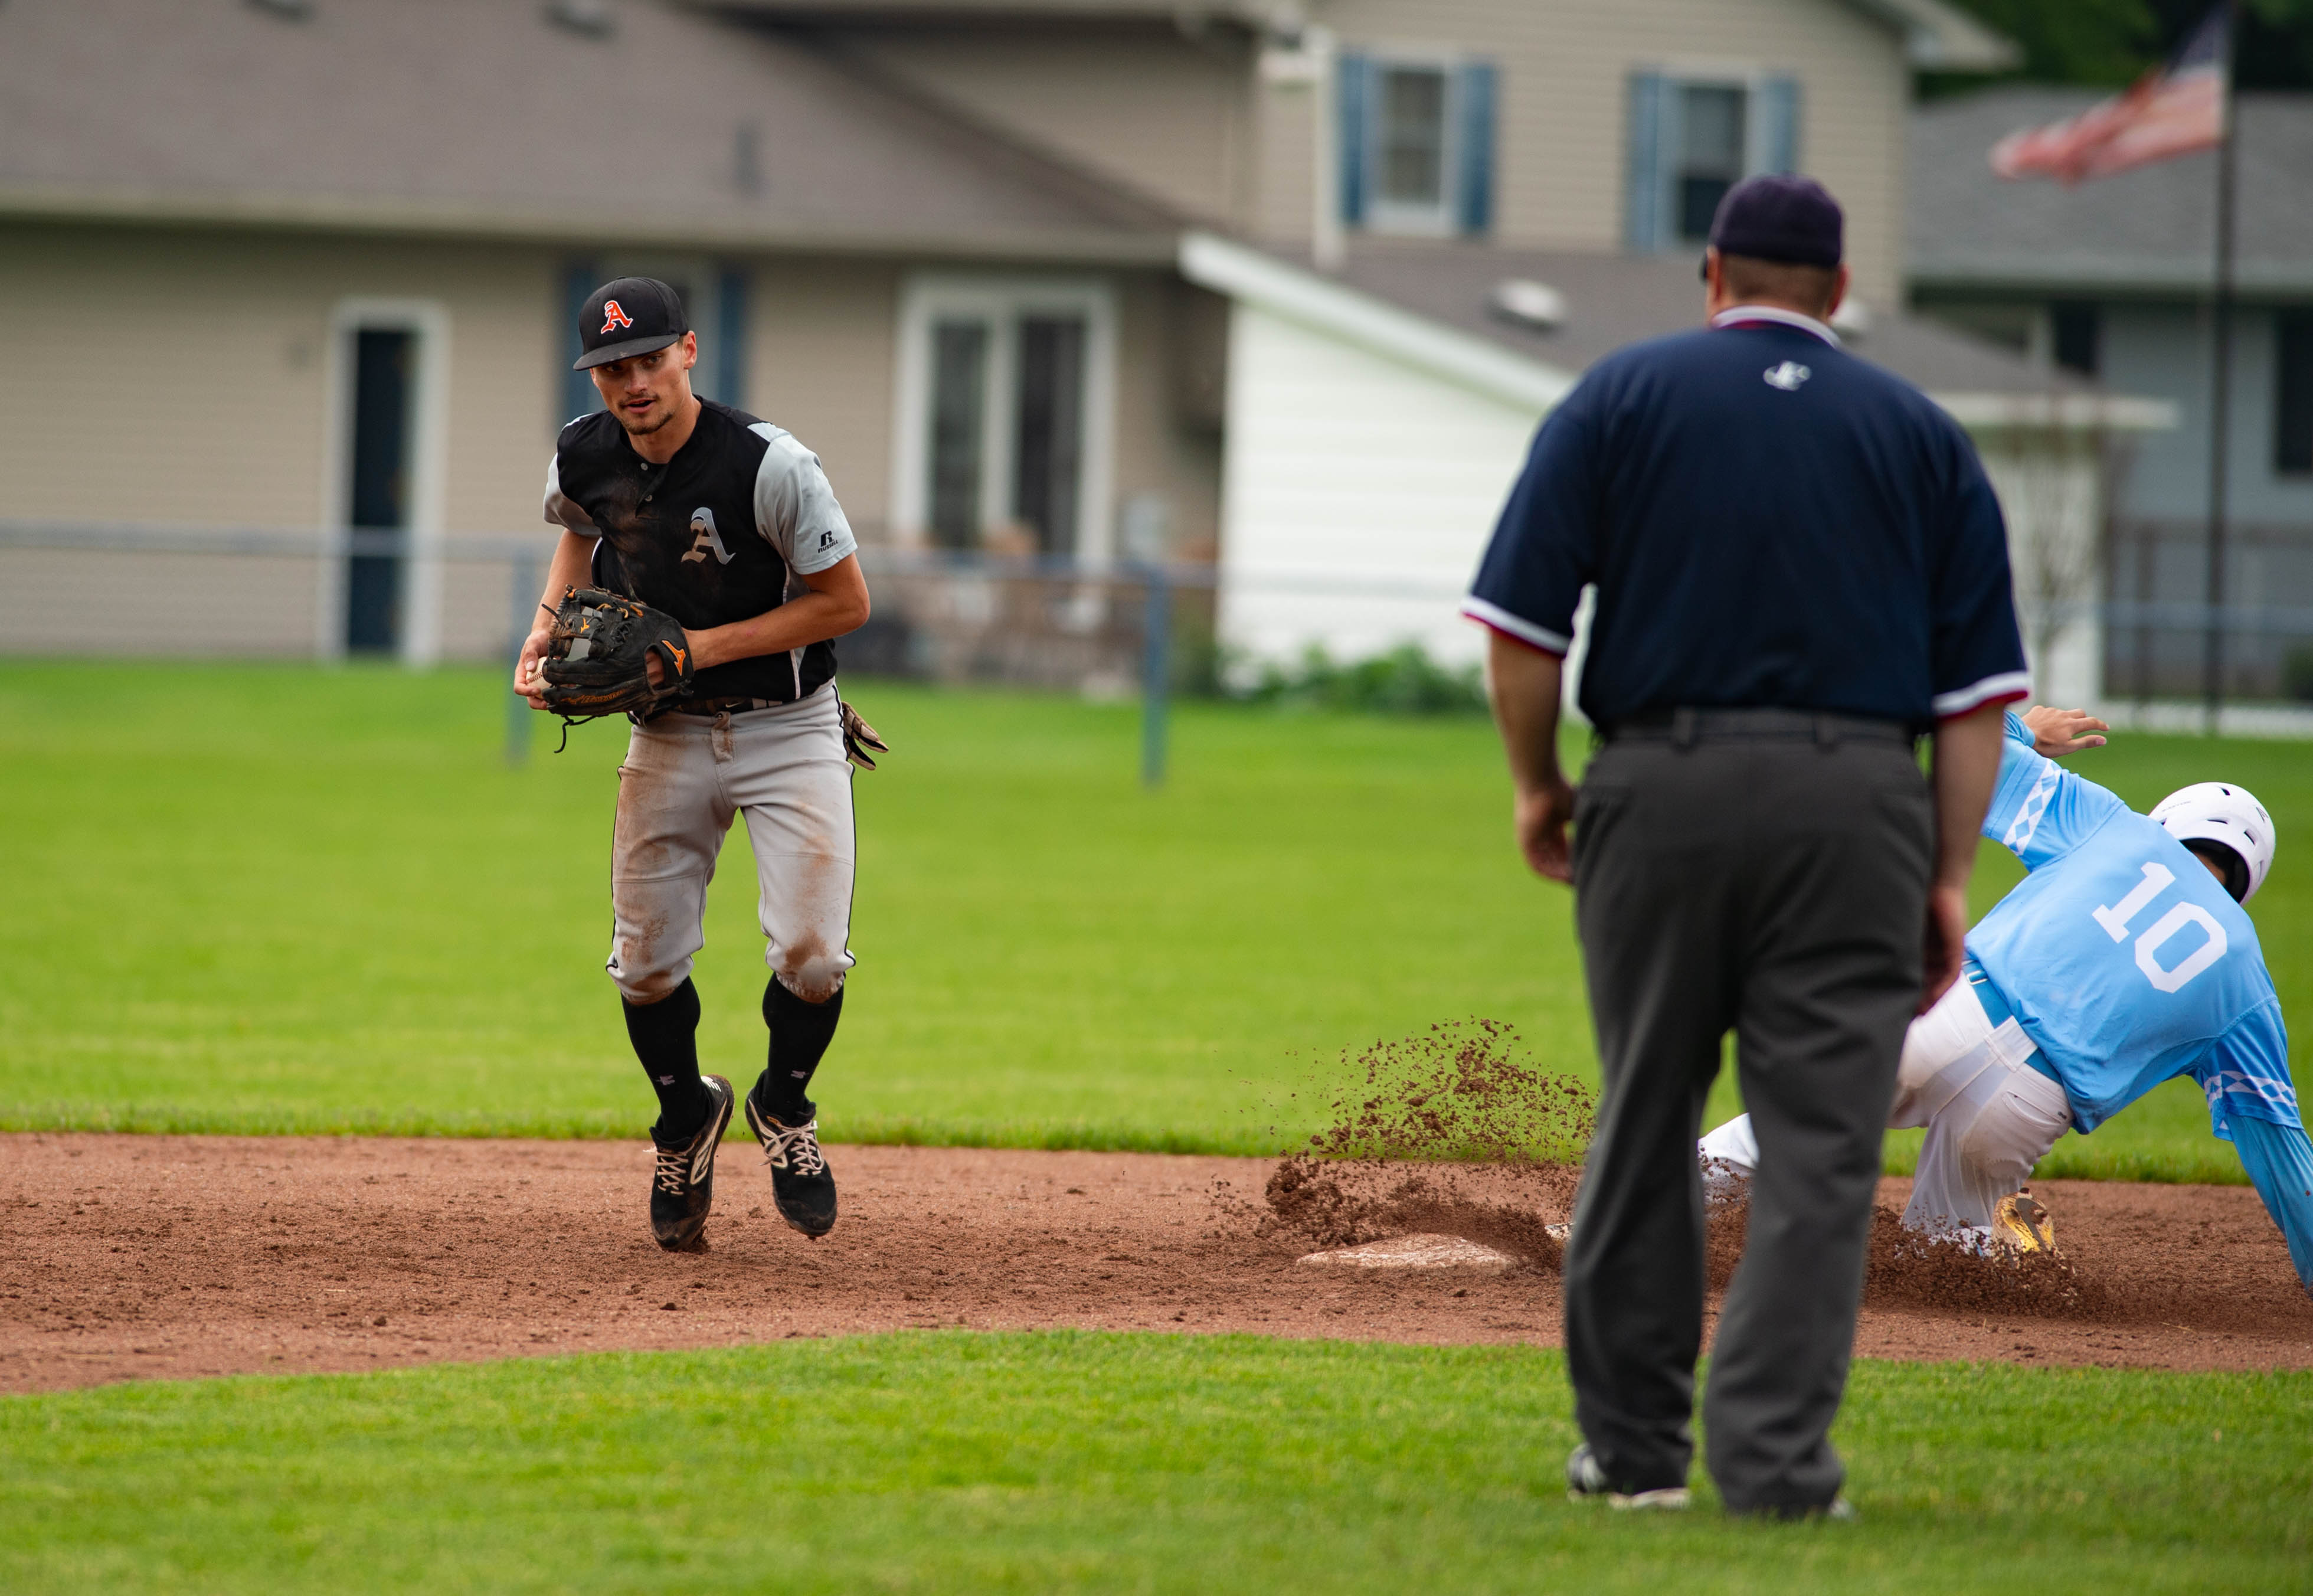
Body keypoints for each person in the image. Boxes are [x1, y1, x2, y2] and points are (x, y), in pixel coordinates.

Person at [1465, 175, 2029, 1517]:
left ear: (1710, 272)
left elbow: (1521, 634)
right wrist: (1943, 870)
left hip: (1656, 785)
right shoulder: (1919, 436)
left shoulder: (1618, 396)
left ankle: (1634, 1456)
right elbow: (1971, 706)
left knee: (1646, 1111)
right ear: (1835, 292)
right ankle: (1775, 1469)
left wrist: (1540, 788)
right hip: (1854, 810)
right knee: (1822, 1147)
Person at [1699, 706, 2312, 1294]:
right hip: (2028, 1106)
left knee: (1785, 1129)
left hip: (1950, 1017)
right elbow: (2284, 1159)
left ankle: (1638, 1223)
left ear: (2169, 822)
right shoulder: (2244, 980)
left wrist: (2026, 731)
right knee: (1940, 1269)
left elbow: (1972, 748)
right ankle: (2009, 1262)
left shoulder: (2113, 826)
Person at [515, 276, 872, 1252]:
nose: (630, 381)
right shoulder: (582, 453)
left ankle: (781, 1103)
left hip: (788, 725)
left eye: (647, 358)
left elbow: (845, 602)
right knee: (643, 965)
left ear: (688, 352)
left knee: (810, 955)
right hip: (665, 731)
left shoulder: (769, 465)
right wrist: (541, 635)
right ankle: (684, 1117)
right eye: (609, 366)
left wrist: (700, 647)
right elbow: (578, 539)